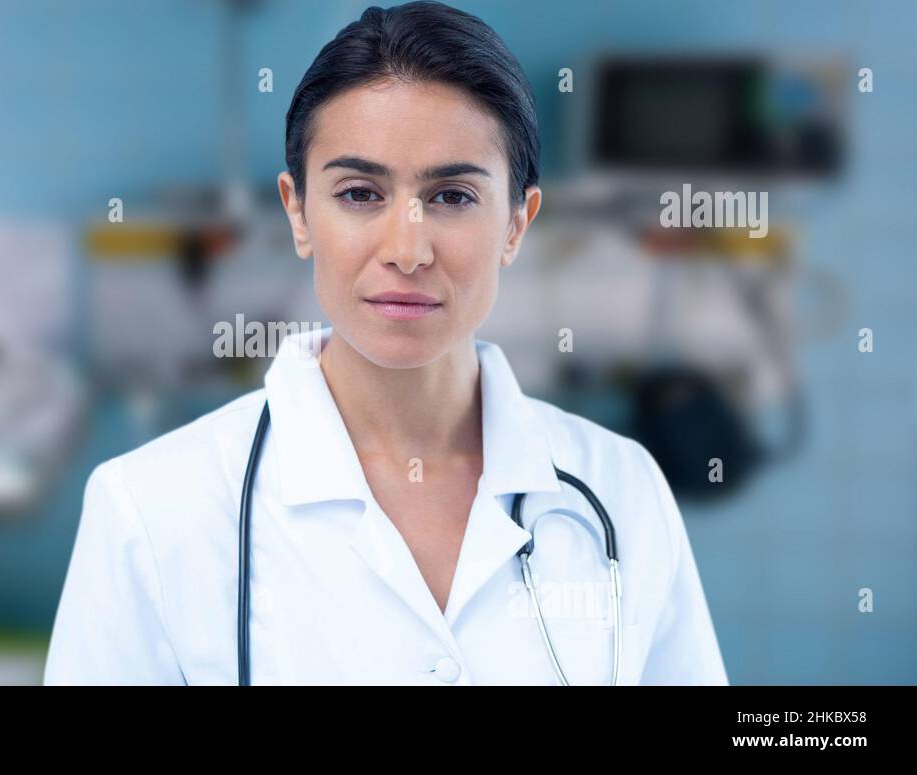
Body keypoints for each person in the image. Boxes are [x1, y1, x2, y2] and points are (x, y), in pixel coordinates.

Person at [44, 0, 727, 685]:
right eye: (360, 193)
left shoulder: (620, 496)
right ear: (297, 211)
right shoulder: (150, 509)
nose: (407, 249)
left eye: (453, 196)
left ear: (518, 223)